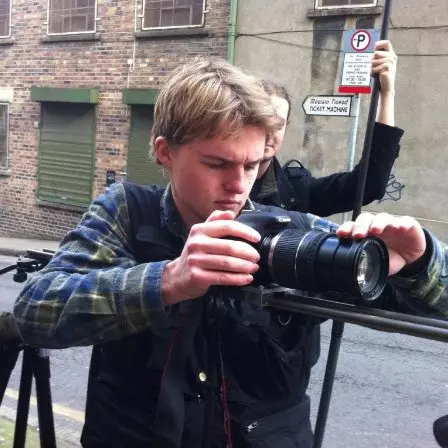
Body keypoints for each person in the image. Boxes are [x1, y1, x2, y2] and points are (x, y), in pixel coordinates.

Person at [13, 58, 447, 448]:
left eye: (253, 164)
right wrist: (167, 281)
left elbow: (433, 306)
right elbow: (36, 312)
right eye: (218, 164)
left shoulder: (292, 235)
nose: (239, 184)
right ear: (165, 152)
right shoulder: (126, 212)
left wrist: (419, 261)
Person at [251, 40, 404, 216]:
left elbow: (368, 184)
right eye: (260, 121)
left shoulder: (297, 190)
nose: (269, 132)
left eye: (278, 123)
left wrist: (387, 93)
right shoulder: (216, 184)